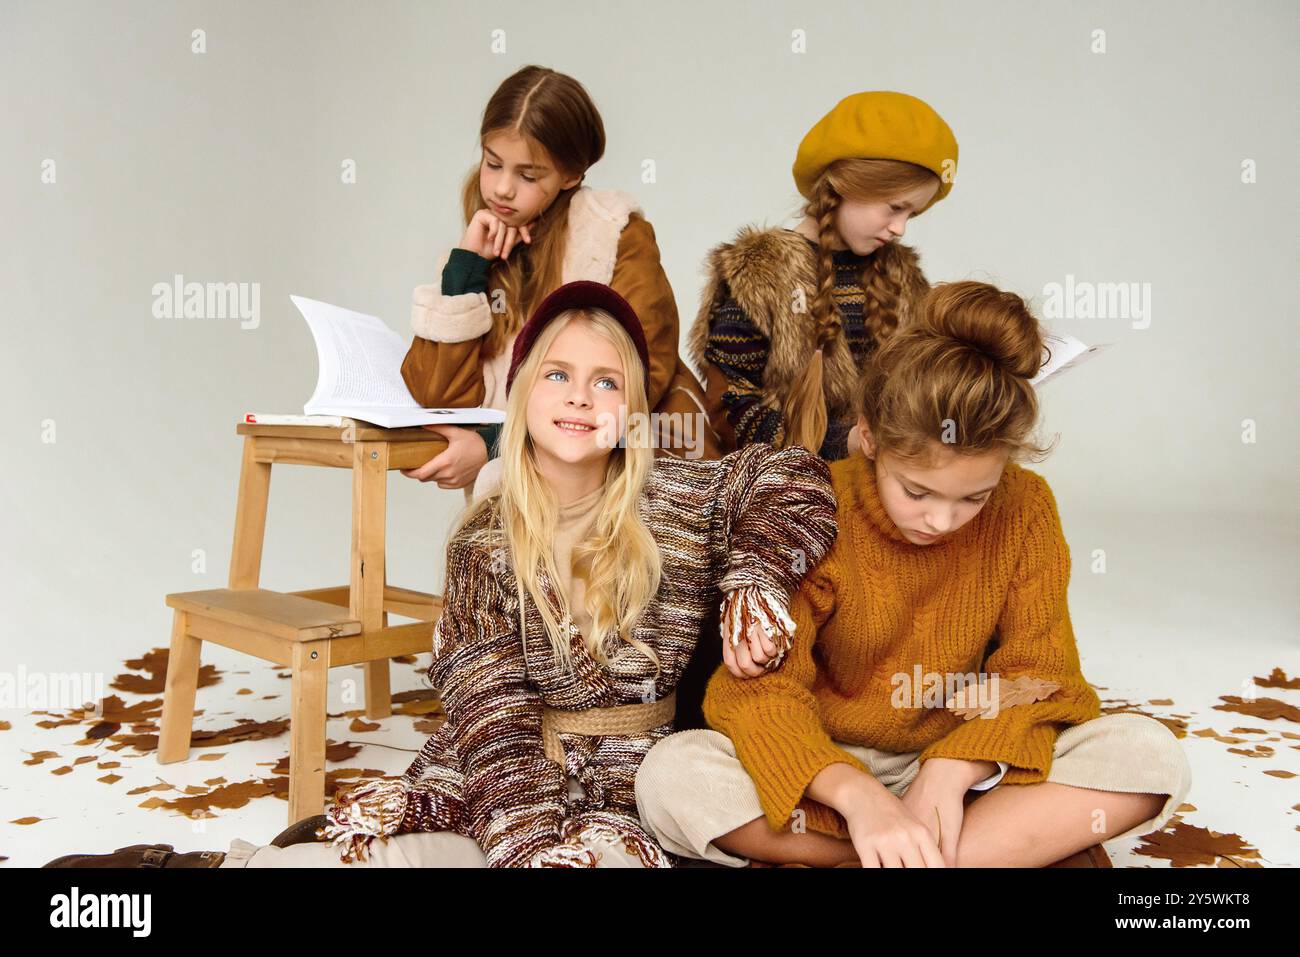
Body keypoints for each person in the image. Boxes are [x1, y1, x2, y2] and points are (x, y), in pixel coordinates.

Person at [46, 282, 836, 869]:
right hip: (492, 777)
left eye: (606, 380)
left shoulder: (677, 495)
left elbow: (797, 477)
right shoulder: (483, 546)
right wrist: (530, 849)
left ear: (631, 403)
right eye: (558, 374)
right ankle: (197, 869)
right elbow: (493, 723)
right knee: (352, 866)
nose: (580, 397)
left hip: (625, 796)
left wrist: (753, 579)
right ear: (523, 392)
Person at [636, 280, 1193, 867]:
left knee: (1149, 755)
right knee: (672, 777)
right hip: (823, 768)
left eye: (973, 498)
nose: (942, 521)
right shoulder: (812, 502)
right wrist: (858, 796)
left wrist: (951, 770)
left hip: (965, 764)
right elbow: (761, 691)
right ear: (871, 440)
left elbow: (1040, 673)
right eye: (917, 491)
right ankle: (934, 855)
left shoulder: (1026, 508)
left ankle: (893, 856)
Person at [400, 65, 721, 502]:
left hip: (635, 483)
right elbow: (437, 395)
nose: (503, 189)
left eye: (529, 175)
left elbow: (635, 383)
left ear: (570, 176)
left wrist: (494, 444)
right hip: (531, 496)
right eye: (492, 164)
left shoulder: (615, 234)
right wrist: (466, 267)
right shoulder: (476, 254)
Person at [688, 90, 955, 460]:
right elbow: (729, 404)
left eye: (912, 214)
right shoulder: (761, 272)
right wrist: (835, 443)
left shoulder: (902, 276)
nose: (900, 228)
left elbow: (927, 381)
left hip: (896, 482)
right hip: (792, 489)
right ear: (846, 185)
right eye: (895, 208)